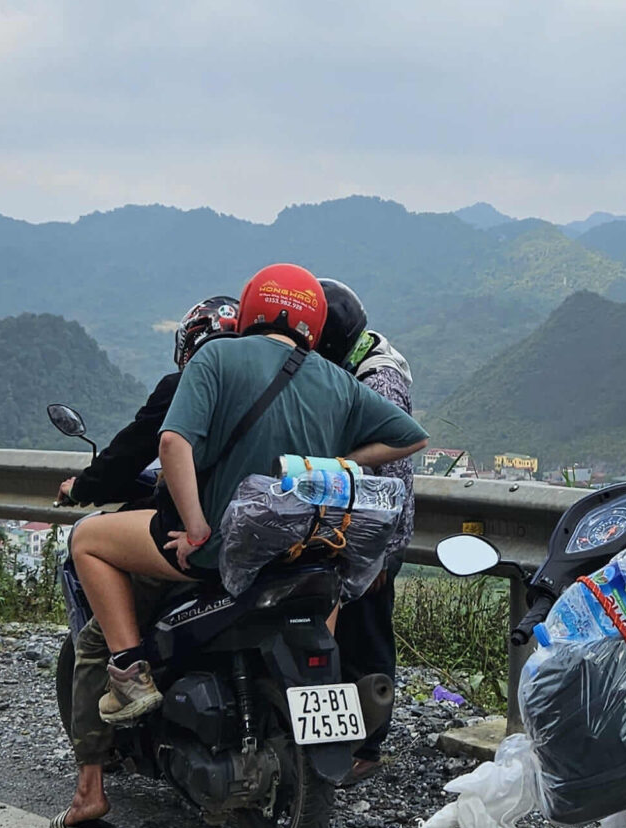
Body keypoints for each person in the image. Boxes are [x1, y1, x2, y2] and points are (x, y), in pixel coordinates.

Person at [65, 263, 426, 749]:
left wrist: (195, 527)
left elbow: (172, 444)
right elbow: (411, 437)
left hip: (225, 551)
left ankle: (130, 672)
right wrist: (339, 461)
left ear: (252, 306)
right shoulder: (337, 381)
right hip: (309, 549)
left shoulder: (216, 361)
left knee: (86, 538)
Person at [51, 296, 237, 828]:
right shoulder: (270, 383)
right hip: (266, 545)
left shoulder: (186, 386)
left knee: (92, 641)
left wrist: (82, 487)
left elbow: (132, 450)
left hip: (191, 544)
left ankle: (90, 790)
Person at [316, 276, 415, 775]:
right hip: (348, 518)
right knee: (338, 628)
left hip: (376, 530)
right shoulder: (357, 359)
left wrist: (382, 551)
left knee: (365, 633)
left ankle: (366, 747)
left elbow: (393, 474)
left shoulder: (379, 380)